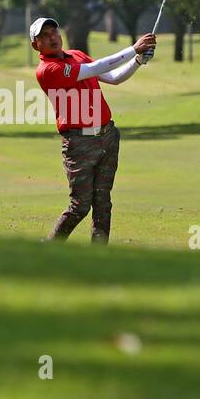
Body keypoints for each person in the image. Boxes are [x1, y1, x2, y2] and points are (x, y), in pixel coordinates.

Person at [31, 16, 156, 244]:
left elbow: (113, 77)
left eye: (54, 32)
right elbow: (94, 68)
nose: (52, 38)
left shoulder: (76, 55)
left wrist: (137, 61)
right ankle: (50, 246)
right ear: (35, 45)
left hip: (107, 136)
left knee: (103, 202)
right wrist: (133, 49)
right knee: (80, 206)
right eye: (44, 36)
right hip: (79, 143)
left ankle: (99, 253)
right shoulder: (47, 70)